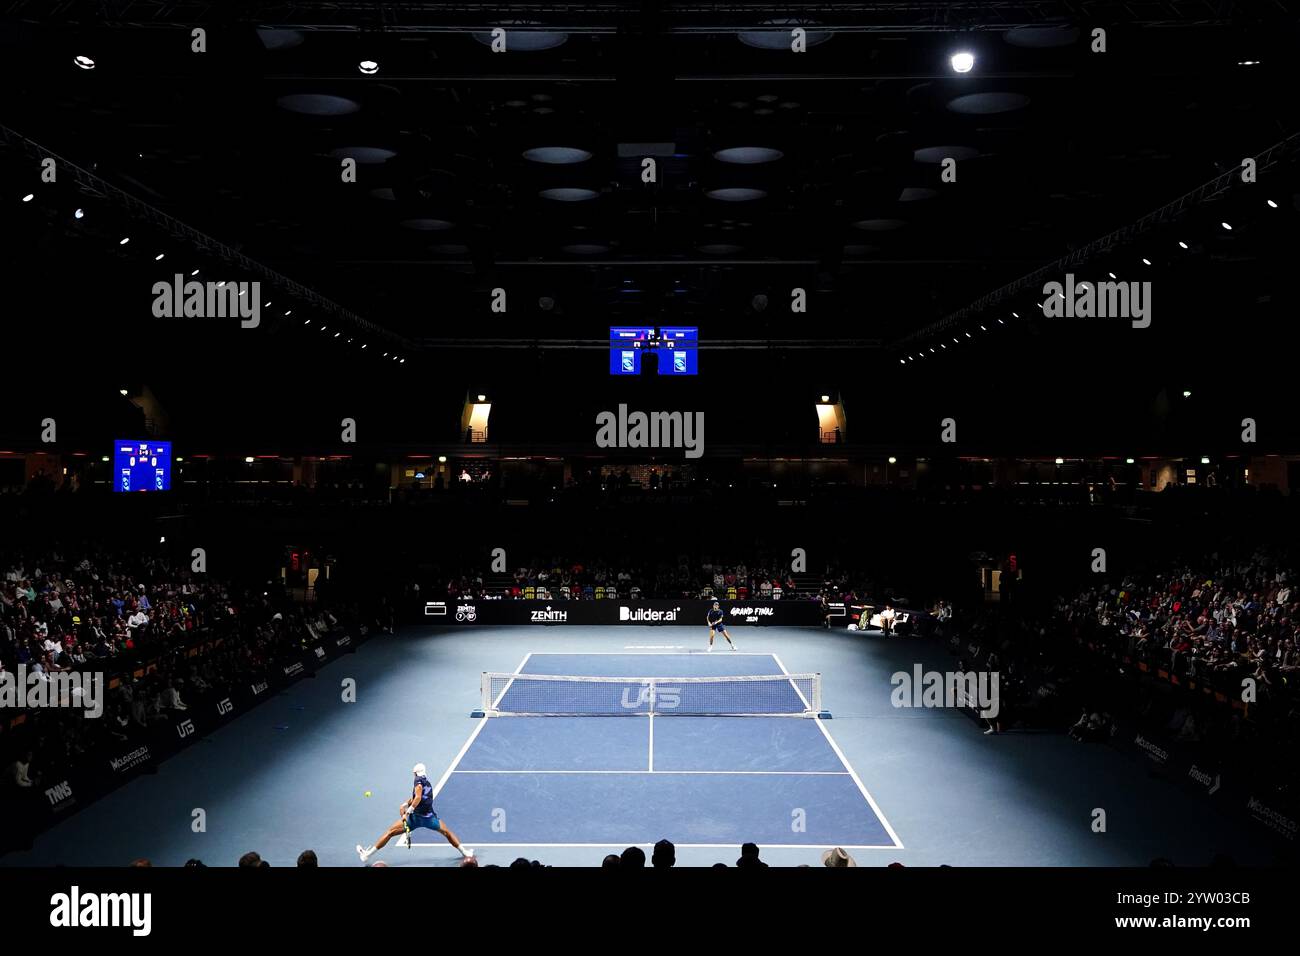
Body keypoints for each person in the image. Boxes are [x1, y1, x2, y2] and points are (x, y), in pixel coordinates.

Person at [357, 763, 473, 863]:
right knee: (447, 833)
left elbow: (417, 798)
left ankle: (367, 855)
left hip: (414, 819)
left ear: (414, 773)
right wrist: (405, 804)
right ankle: (466, 853)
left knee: (390, 832)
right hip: (429, 819)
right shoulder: (426, 782)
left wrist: (408, 811)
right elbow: (417, 798)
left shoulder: (417, 781)